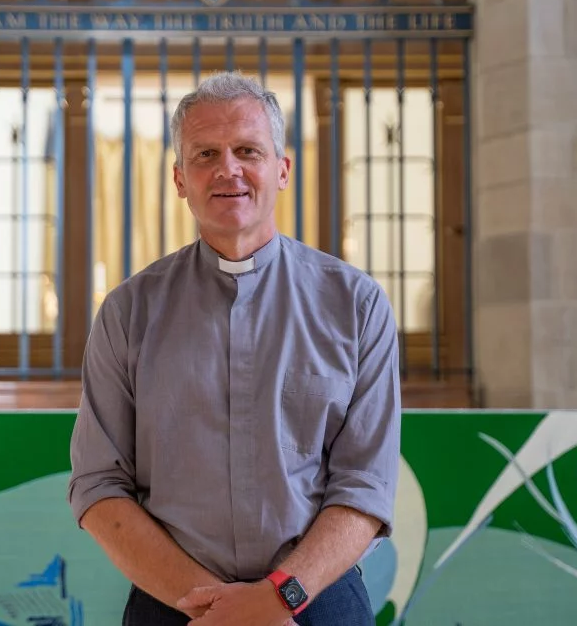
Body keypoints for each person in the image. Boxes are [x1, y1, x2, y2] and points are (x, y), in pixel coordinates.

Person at [67, 71, 400, 626]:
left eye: (248, 150)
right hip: (174, 601)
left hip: (313, 597)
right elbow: (99, 485)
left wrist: (277, 597)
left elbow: (366, 485)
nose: (229, 169)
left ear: (282, 169)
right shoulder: (129, 313)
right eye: (205, 154)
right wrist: (213, 606)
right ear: (179, 178)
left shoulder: (355, 304)